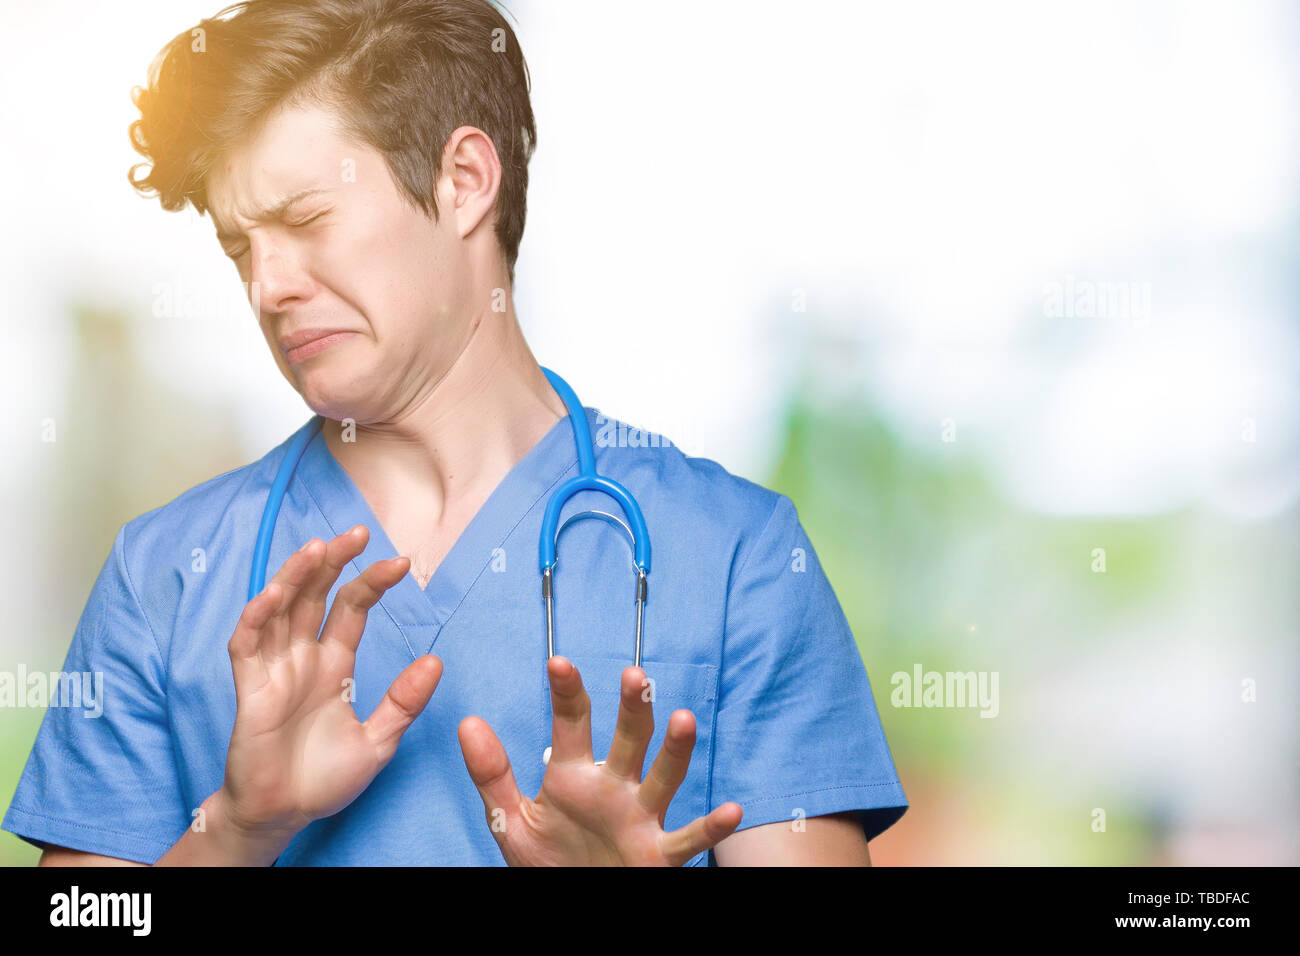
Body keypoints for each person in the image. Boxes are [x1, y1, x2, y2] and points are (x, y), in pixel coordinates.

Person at [2, 0, 907, 866]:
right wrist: (235, 832)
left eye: (306, 219)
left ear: (465, 180)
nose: (268, 285)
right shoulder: (163, 576)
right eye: (241, 248)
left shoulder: (736, 559)